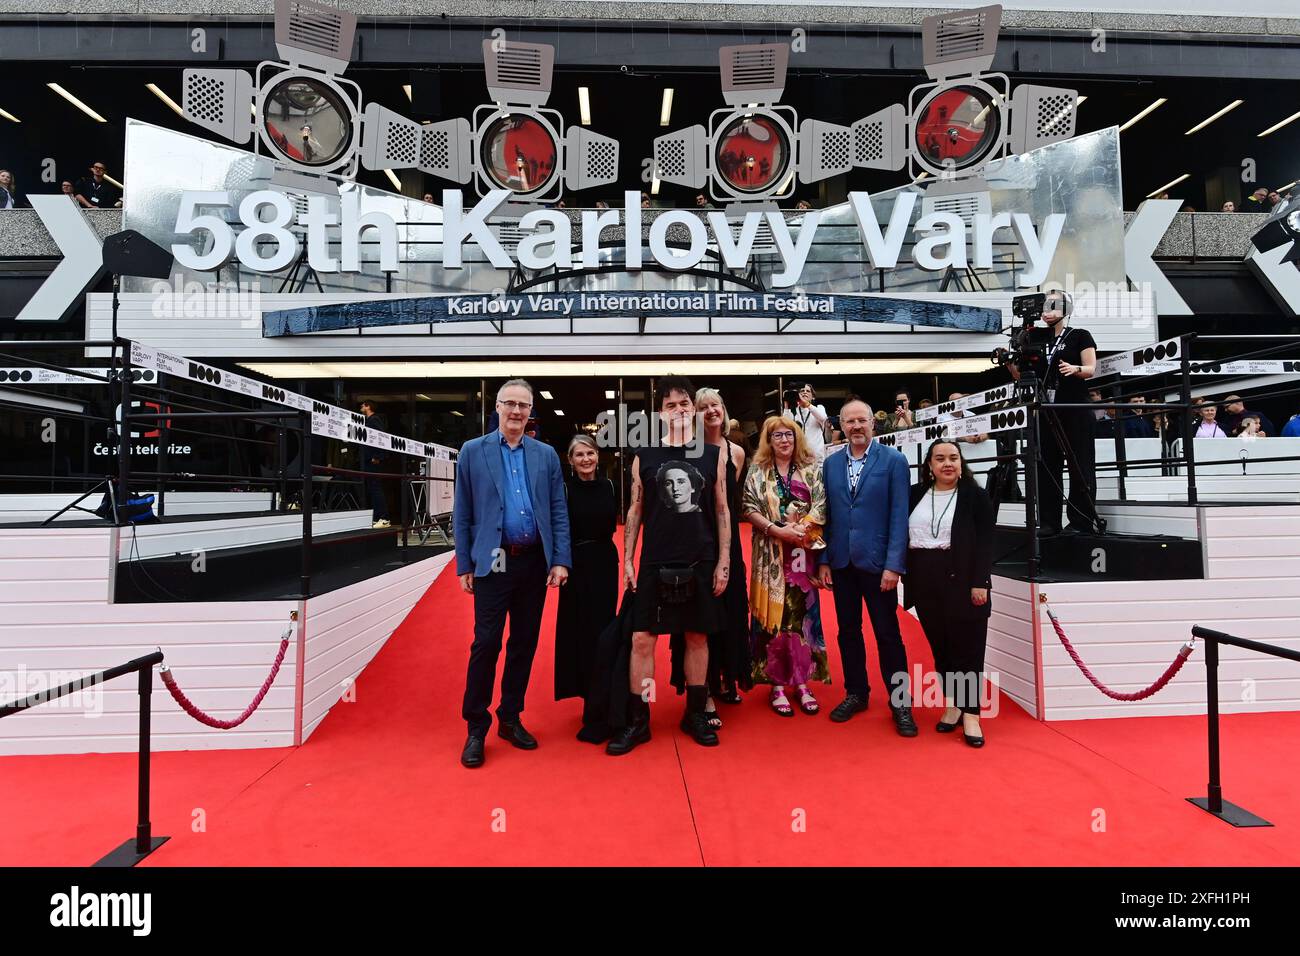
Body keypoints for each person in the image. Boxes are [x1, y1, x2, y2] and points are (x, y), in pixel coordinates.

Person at [606, 375, 730, 755]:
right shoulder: (645, 455)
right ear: (659, 414)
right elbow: (635, 509)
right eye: (671, 405)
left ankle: (694, 714)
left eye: (684, 404)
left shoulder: (713, 454)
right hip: (654, 559)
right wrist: (627, 559)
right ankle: (639, 720)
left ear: (693, 409)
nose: (679, 411)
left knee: (697, 636)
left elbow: (723, 508)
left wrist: (724, 561)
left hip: (701, 557)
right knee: (642, 638)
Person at [454, 379, 571, 768]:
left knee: (524, 641)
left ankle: (510, 716)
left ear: (530, 411)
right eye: (510, 404)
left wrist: (560, 559)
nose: (517, 412)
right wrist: (465, 564)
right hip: (494, 559)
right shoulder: (473, 452)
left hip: (532, 560)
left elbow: (557, 509)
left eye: (524, 406)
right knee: (486, 642)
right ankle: (475, 727)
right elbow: (464, 512)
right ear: (498, 407)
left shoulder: (546, 455)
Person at [815, 397, 918, 736]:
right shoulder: (829, 465)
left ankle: (900, 702)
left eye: (862, 420)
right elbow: (827, 516)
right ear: (841, 426)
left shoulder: (894, 460)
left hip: (878, 565)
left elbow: (899, 516)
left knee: (888, 634)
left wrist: (894, 566)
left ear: (873, 422)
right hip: (842, 563)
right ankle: (856, 693)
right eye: (849, 421)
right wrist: (825, 560)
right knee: (847, 633)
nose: (856, 427)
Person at [903, 440, 994, 748]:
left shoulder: (976, 496)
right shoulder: (915, 494)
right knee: (940, 647)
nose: (947, 463)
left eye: (953, 458)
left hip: (964, 579)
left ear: (961, 461)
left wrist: (981, 582)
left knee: (967, 648)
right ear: (929, 464)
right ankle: (953, 702)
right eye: (939, 458)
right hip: (924, 579)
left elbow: (985, 543)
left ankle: (972, 713)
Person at [669, 388, 751, 725]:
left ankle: (726, 677)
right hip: (696, 539)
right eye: (703, 407)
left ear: (724, 410)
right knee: (699, 614)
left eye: (716, 404)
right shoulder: (689, 450)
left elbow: (727, 502)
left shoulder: (738, 452)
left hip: (728, 538)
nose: (711, 411)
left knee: (731, 607)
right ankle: (702, 688)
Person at [743, 415, 829, 717]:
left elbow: (821, 505)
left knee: (802, 617)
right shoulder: (758, 470)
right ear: (769, 440)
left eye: (789, 435)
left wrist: (800, 529)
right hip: (770, 555)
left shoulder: (810, 469)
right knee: (774, 619)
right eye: (777, 435)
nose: (784, 440)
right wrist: (776, 530)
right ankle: (776, 684)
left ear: (797, 439)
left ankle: (803, 682)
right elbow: (749, 507)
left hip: (802, 554)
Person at [1009, 290, 1099, 536]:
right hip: (1046, 410)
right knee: (1047, 465)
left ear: (1065, 309)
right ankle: (1049, 522)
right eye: (1044, 307)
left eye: (1053, 306)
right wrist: (1009, 360)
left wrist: (1075, 368)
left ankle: (1081, 522)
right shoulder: (1035, 337)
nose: (1046, 312)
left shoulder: (1079, 335)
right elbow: (1021, 376)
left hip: (1075, 406)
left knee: (1080, 464)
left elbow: (1091, 368)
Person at [554, 435, 619, 744]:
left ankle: (604, 700)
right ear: (570, 459)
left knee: (605, 633)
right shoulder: (564, 490)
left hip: (606, 562)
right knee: (580, 633)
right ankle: (589, 704)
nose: (585, 459)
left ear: (597, 455)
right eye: (578, 454)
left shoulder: (609, 486)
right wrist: (560, 564)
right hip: (576, 565)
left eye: (590, 453)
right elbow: (559, 528)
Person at [358, 401, 392, 529]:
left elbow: (379, 437)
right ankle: (378, 517)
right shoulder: (367, 420)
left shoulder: (374, 420)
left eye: (363, 405)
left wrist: (377, 456)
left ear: (369, 406)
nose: (361, 407)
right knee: (372, 488)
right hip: (368, 459)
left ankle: (384, 518)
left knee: (376, 488)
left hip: (373, 459)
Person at [789, 382, 829, 461]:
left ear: (813, 397)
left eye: (808, 391)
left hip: (816, 457)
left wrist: (807, 404)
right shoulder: (793, 411)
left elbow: (823, 418)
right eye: (802, 391)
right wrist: (787, 405)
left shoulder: (819, 408)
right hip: (798, 456)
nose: (804, 392)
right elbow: (785, 425)